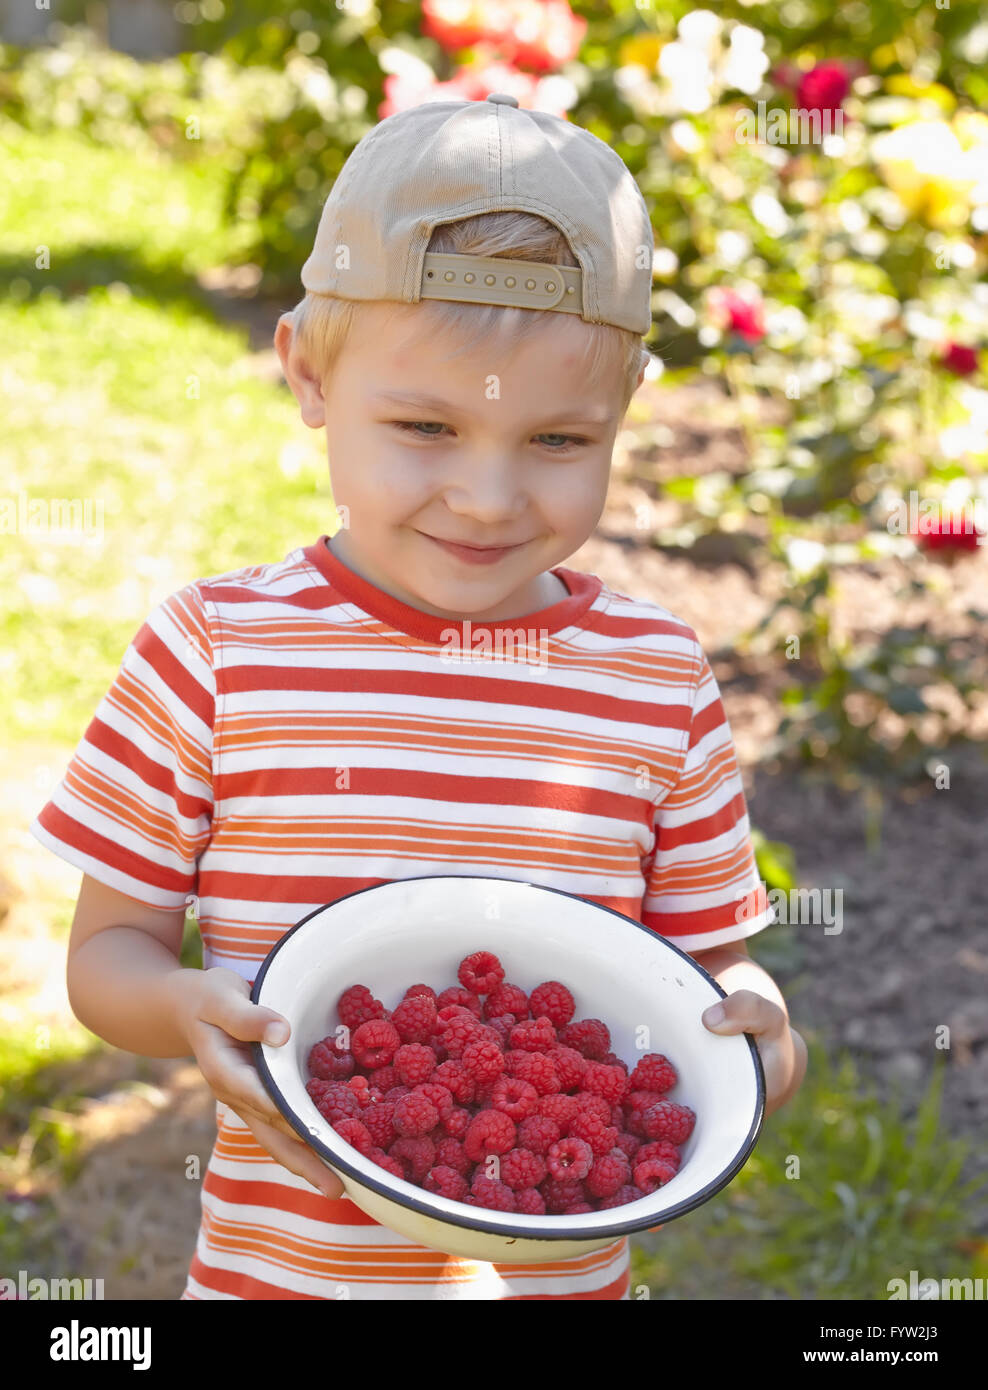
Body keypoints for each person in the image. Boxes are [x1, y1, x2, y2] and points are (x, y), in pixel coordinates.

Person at [30, 93, 807, 1300]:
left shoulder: (657, 679)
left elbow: (715, 969)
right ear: (307, 375)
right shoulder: (215, 653)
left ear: (624, 415)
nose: (487, 498)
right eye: (425, 426)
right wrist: (184, 1006)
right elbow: (107, 961)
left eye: (558, 441)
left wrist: (760, 1030)